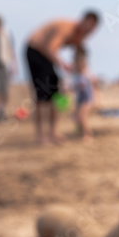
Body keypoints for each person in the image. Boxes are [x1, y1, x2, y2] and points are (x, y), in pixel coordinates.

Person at [25, 11, 100, 144]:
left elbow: (80, 53)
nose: (89, 32)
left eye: (92, 29)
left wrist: (84, 71)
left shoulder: (81, 35)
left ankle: (53, 132)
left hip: (47, 56)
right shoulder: (66, 28)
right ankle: (40, 135)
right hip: (35, 51)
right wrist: (63, 64)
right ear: (83, 21)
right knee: (42, 94)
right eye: (88, 26)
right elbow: (50, 48)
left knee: (55, 91)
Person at [72, 46, 94, 140]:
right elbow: (73, 88)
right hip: (79, 100)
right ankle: (82, 133)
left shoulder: (88, 74)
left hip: (87, 99)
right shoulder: (76, 75)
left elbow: (95, 88)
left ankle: (87, 135)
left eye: (81, 62)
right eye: (77, 62)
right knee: (77, 118)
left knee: (82, 117)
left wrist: (97, 99)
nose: (79, 64)